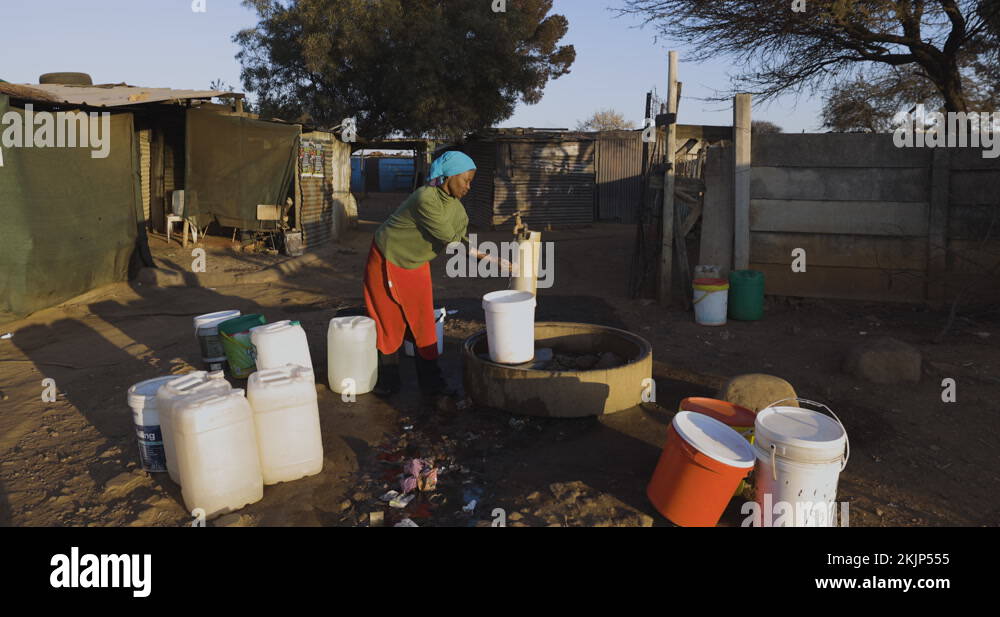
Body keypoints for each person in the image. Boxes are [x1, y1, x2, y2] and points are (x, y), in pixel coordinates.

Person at [363, 151, 506, 403]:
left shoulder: (458, 210)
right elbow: (450, 240)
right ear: (449, 176)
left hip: (416, 262)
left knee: (422, 320)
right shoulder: (425, 198)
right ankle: (388, 378)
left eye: (472, 181)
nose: (469, 187)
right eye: (466, 180)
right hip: (388, 256)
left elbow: (461, 242)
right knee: (389, 318)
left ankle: (432, 383)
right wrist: (494, 259)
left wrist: (491, 259)